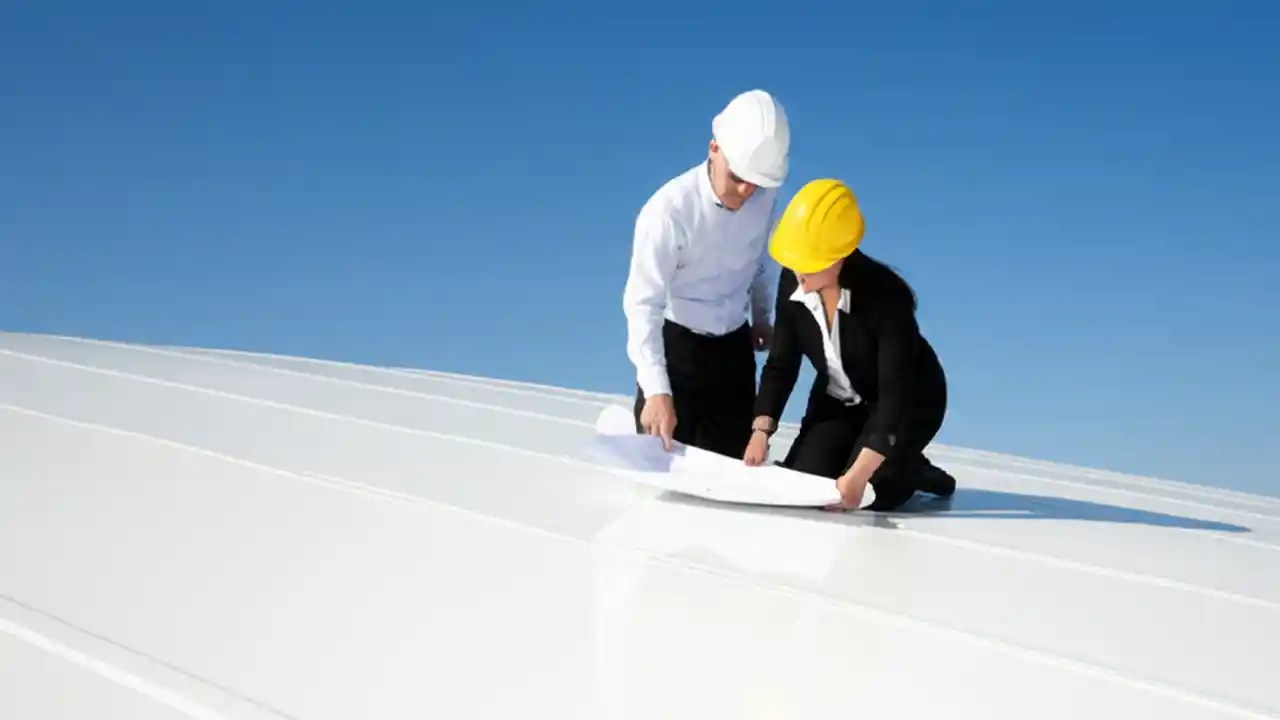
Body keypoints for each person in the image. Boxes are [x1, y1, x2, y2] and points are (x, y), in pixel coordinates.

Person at [743, 178, 957, 511]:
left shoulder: (888, 298)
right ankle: (871, 458)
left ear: (840, 254)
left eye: (811, 260)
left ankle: (912, 470)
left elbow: (894, 398)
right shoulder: (793, 280)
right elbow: (781, 364)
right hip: (840, 398)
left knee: (867, 493)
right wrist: (761, 430)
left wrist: (860, 473)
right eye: (796, 259)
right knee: (810, 484)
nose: (800, 272)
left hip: (907, 404)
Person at [623, 89, 790, 458]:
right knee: (661, 463)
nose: (747, 191)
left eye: (758, 182)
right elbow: (642, 303)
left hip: (733, 353)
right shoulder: (667, 213)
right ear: (714, 148)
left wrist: (762, 318)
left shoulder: (765, 197)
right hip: (678, 349)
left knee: (729, 471)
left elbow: (762, 260)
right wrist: (656, 391)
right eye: (738, 178)